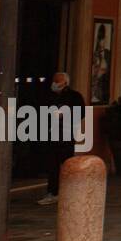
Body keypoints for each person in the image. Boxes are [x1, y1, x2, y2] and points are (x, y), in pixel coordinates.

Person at [37, 73, 84, 206]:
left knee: (67, 164)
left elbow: (80, 113)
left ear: (65, 82)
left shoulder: (74, 96)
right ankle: (52, 192)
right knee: (52, 166)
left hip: (66, 136)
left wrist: (65, 114)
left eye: (58, 81)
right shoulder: (49, 96)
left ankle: (68, 192)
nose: (55, 83)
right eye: (54, 80)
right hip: (51, 135)